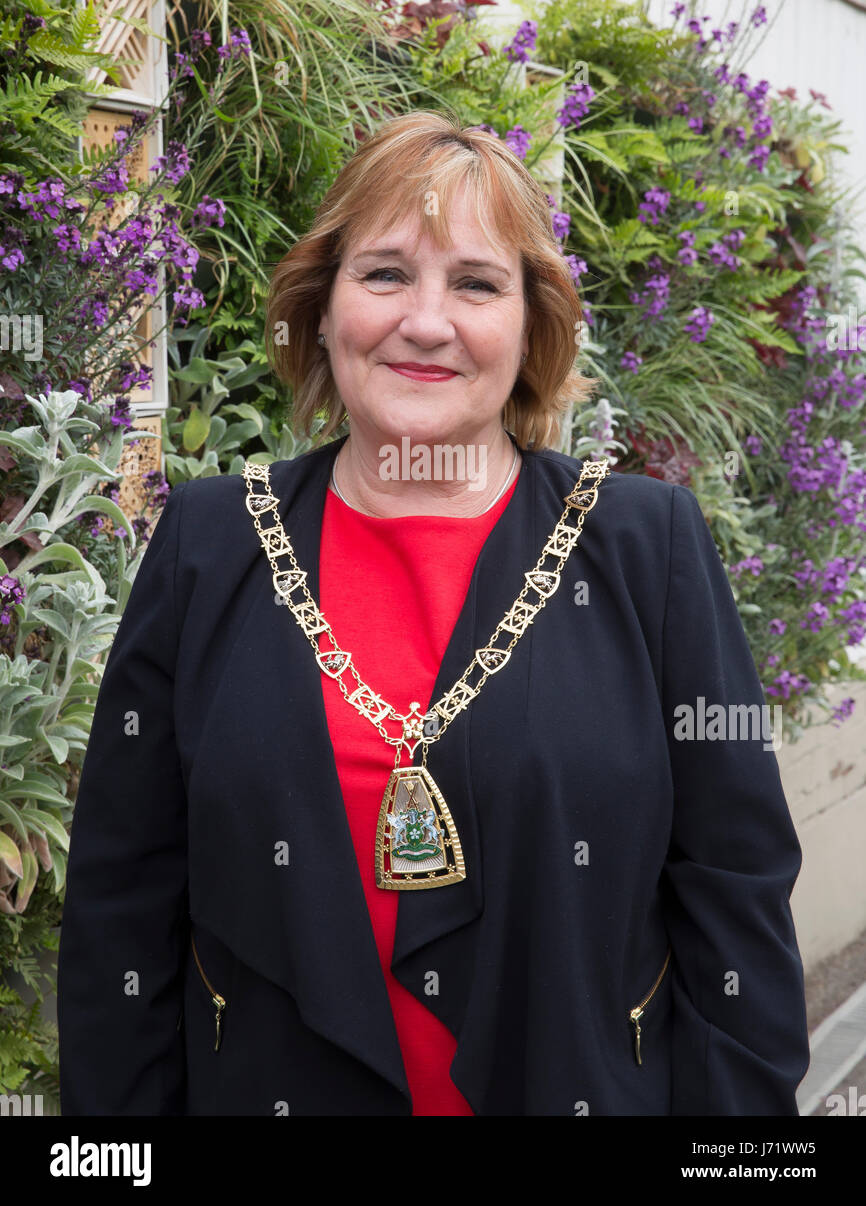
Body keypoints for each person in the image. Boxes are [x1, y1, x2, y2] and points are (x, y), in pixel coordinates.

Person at [57, 109, 810, 1116]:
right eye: (383, 274)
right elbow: (123, 905)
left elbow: (735, 896)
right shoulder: (210, 543)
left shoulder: (643, 545)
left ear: (531, 325)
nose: (424, 319)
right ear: (319, 310)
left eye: (474, 282)